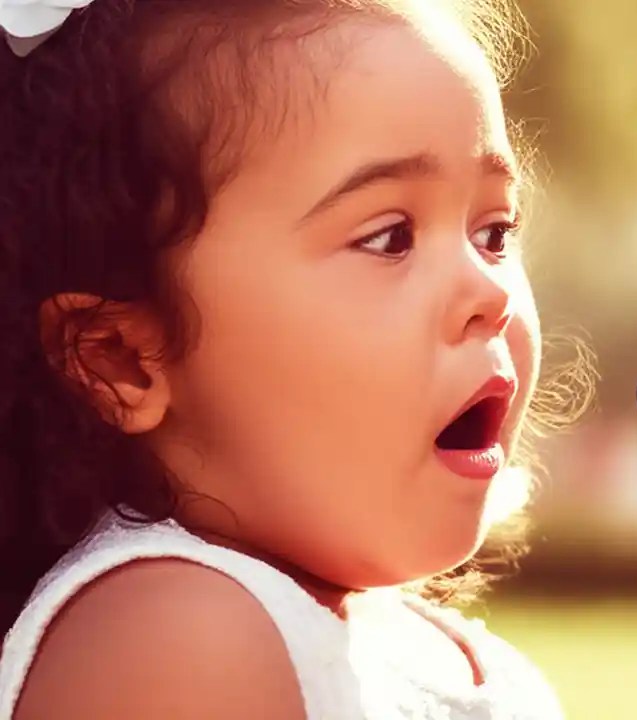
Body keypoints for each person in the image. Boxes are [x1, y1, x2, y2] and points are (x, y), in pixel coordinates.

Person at [0, 1, 564, 717]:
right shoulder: (181, 638)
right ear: (124, 360)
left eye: (494, 230)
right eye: (389, 237)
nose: (490, 292)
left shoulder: (449, 655)